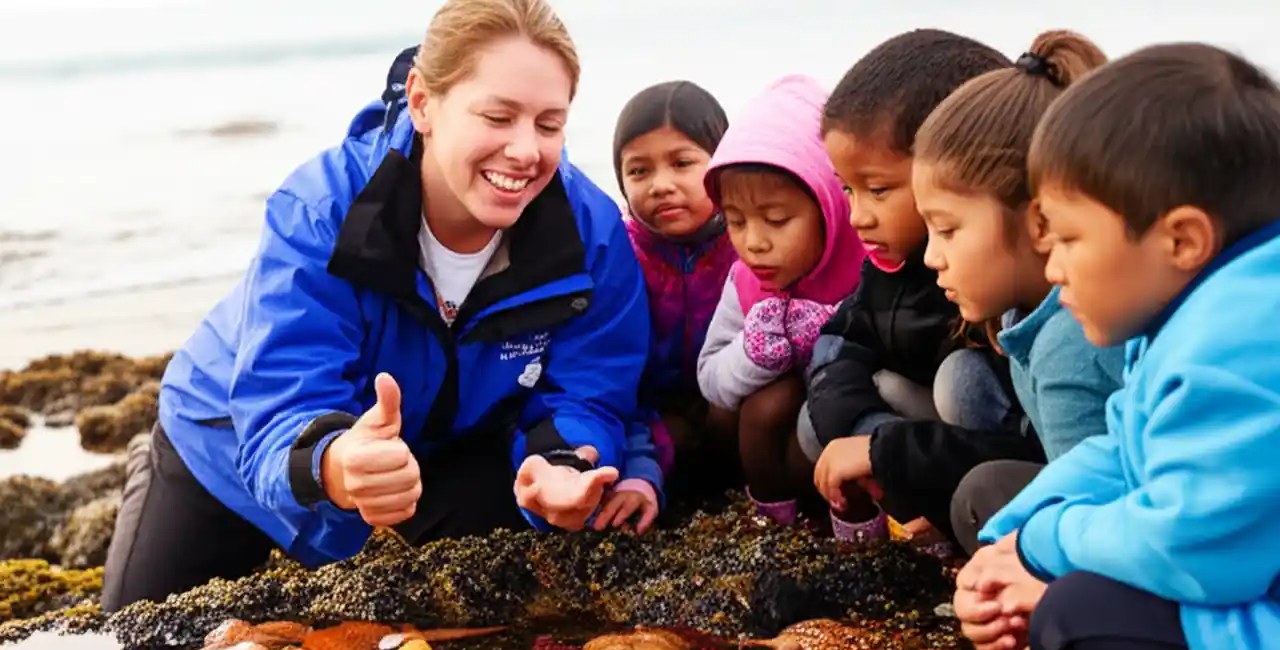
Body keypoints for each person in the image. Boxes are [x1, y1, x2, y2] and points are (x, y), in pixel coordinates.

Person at [101, 0, 649, 611]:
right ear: (422, 102)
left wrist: (561, 462)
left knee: (507, 611)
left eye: (549, 124)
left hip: (428, 456)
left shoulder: (592, 235)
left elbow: (590, 389)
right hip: (230, 442)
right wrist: (335, 464)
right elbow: (283, 393)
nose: (525, 150)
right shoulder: (321, 210)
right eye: (498, 116)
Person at [957, 42, 1280, 650]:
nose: (1054, 270)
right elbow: (1120, 447)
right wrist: (1013, 539)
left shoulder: (1237, 341)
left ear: (1181, 240)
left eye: (1070, 240)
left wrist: (1051, 545)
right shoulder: (1194, 317)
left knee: (1075, 624)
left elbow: (1190, 546)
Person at [807, 29, 1041, 546]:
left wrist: (887, 450)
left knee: (959, 381)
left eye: (879, 189)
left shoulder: (1010, 292)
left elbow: (1057, 454)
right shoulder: (886, 269)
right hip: (935, 447)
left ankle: (957, 532)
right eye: (847, 189)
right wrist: (869, 435)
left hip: (999, 465)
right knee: (823, 419)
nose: (856, 217)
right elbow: (834, 349)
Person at [909, 31, 1124, 556]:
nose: (930, 256)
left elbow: (1095, 505)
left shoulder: (1068, 342)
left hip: (1134, 538)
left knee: (981, 500)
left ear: (1036, 221)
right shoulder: (1029, 315)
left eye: (948, 229)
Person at [696, 74, 865, 526]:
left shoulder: (866, 261)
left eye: (776, 219)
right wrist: (754, 353)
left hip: (843, 431)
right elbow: (709, 377)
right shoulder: (747, 281)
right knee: (764, 402)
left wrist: (830, 333)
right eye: (735, 221)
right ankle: (775, 523)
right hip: (773, 445)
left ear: (828, 202)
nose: (754, 243)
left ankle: (853, 525)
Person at [597, 80, 736, 532]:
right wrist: (639, 467)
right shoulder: (617, 257)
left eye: (682, 163)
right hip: (654, 423)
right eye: (639, 171)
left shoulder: (753, 243)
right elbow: (613, 382)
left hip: (733, 416)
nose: (661, 185)